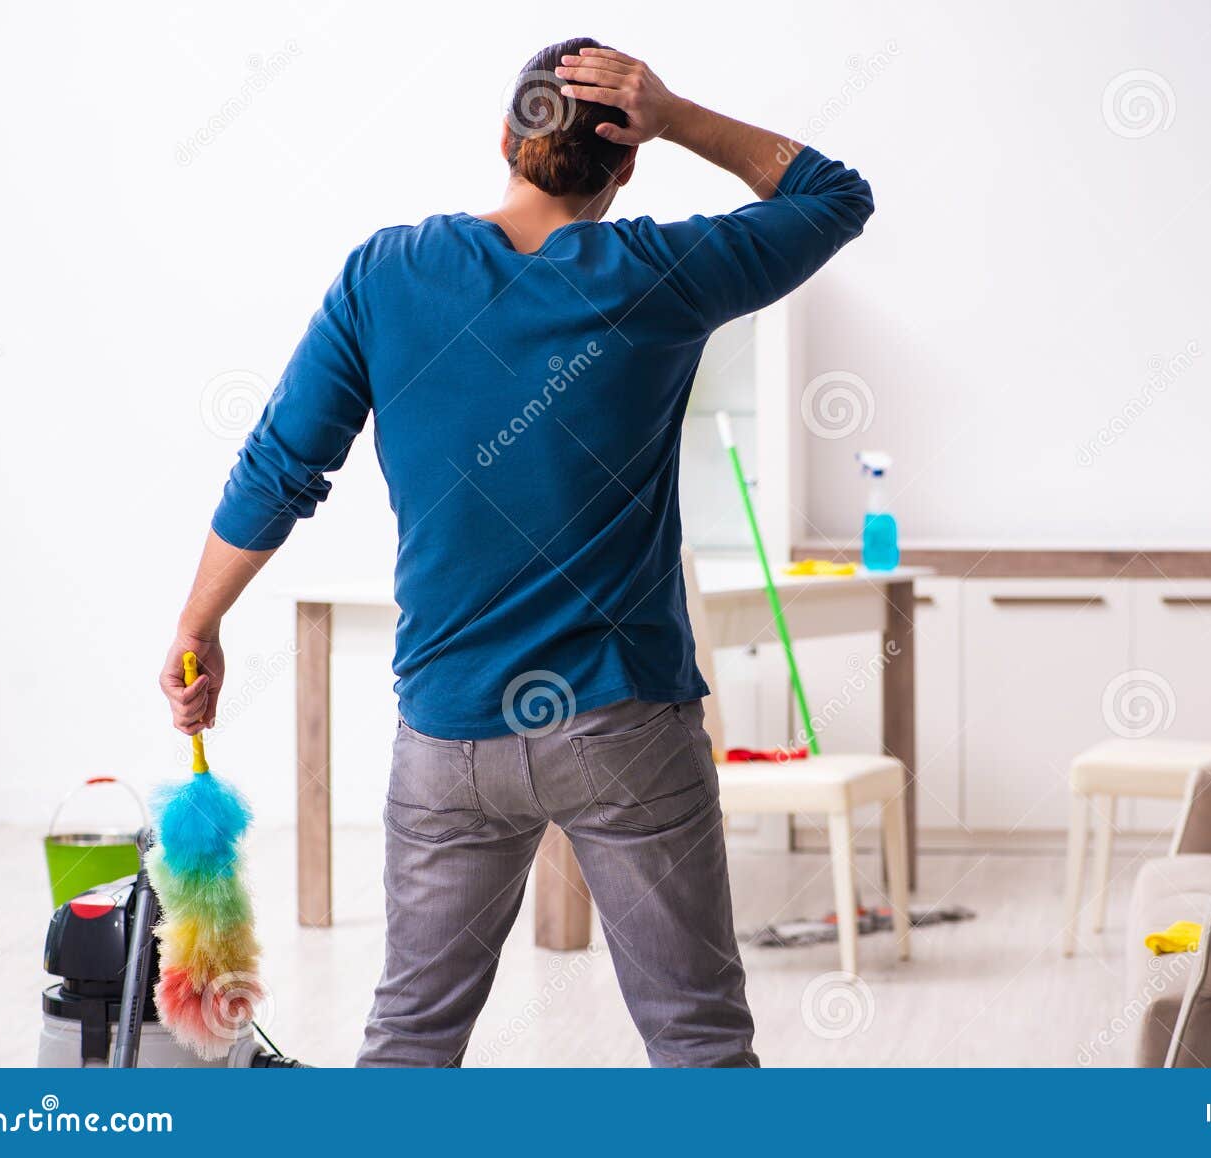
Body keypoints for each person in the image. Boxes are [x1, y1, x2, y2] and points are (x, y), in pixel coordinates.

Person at [159, 37, 874, 1067]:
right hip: (622, 724)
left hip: (449, 736)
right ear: (625, 164)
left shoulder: (387, 272)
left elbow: (281, 464)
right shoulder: (656, 273)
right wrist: (675, 114)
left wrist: (199, 623)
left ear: (504, 138)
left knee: (409, 1040)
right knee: (699, 1041)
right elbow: (831, 194)